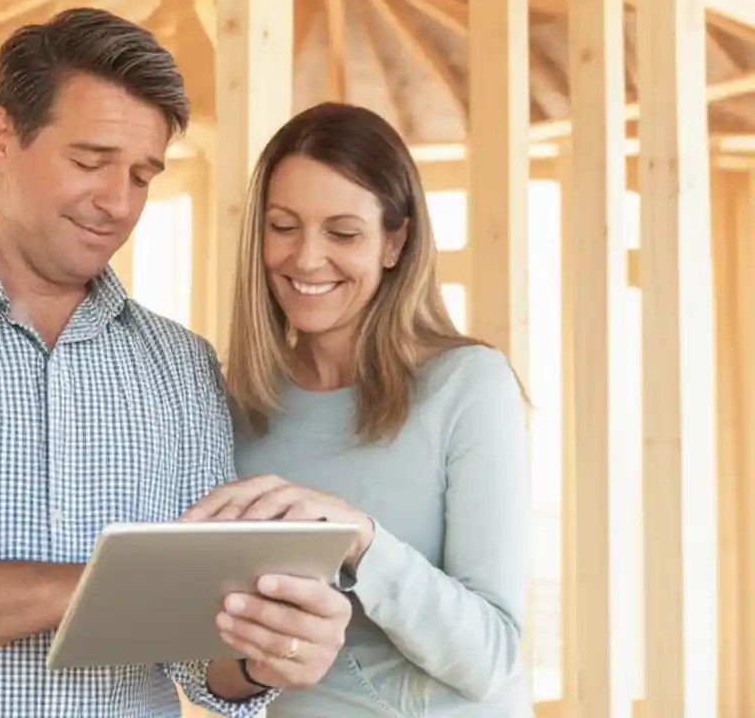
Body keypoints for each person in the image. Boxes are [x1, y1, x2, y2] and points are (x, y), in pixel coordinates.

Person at [0, 8, 352, 718]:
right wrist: (116, 585)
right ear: (2, 138)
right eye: (89, 162)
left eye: (143, 175)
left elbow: (201, 660)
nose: (117, 202)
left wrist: (260, 649)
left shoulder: (183, 366)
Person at [181, 102, 533, 717]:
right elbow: (210, 660)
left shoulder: (469, 387)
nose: (307, 259)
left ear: (395, 242)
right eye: (283, 226)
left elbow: (491, 656)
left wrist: (358, 539)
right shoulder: (234, 407)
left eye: (343, 233)